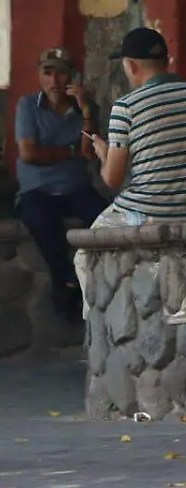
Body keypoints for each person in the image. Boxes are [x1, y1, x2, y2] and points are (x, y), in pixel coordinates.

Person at [80, 27, 186, 311]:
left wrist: (104, 155)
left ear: (131, 65)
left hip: (145, 215)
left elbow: (112, 180)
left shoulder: (126, 107)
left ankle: (95, 326)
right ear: (166, 61)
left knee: (85, 251)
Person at [14, 48, 109, 319]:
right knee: (42, 222)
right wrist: (68, 152)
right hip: (37, 190)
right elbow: (29, 154)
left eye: (60, 73)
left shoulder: (84, 110)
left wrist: (87, 111)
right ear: (40, 76)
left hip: (75, 188)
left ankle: (97, 283)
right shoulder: (27, 106)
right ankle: (67, 279)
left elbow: (88, 153)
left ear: (71, 77)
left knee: (106, 220)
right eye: (47, 72)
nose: (54, 80)